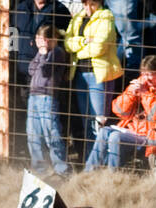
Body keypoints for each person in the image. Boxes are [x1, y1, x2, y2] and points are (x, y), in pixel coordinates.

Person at [84, 55, 156, 170]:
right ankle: (88, 173)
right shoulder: (140, 84)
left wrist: (144, 93)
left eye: (151, 74)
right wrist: (131, 94)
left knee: (115, 137)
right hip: (133, 131)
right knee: (104, 131)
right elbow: (119, 111)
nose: (147, 78)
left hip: (154, 136)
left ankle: (112, 176)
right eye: (144, 74)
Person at [65, 0, 123, 155]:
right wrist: (84, 41)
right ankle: (91, 159)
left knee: (99, 120)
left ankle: (102, 158)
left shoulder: (107, 17)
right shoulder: (77, 18)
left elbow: (99, 47)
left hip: (99, 76)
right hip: (80, 74)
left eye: (92, 5)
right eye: (85, 4)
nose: (88, 8)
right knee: (86, 121)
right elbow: (66, 43)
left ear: (99, 4)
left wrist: (78, 49)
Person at [27, 24, 71, 178]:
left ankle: (62, 169)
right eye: (39, 38)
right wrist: (40, 54)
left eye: (45, 39)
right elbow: (31, 70)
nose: (41, 42)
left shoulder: (57, 52)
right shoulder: (40, 53)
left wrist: (44, 54)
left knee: (51, 133)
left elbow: (45, 72)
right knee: (33, 134)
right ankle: (40, 170)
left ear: (53, 39)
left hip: (47, 97)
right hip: (33, 96)